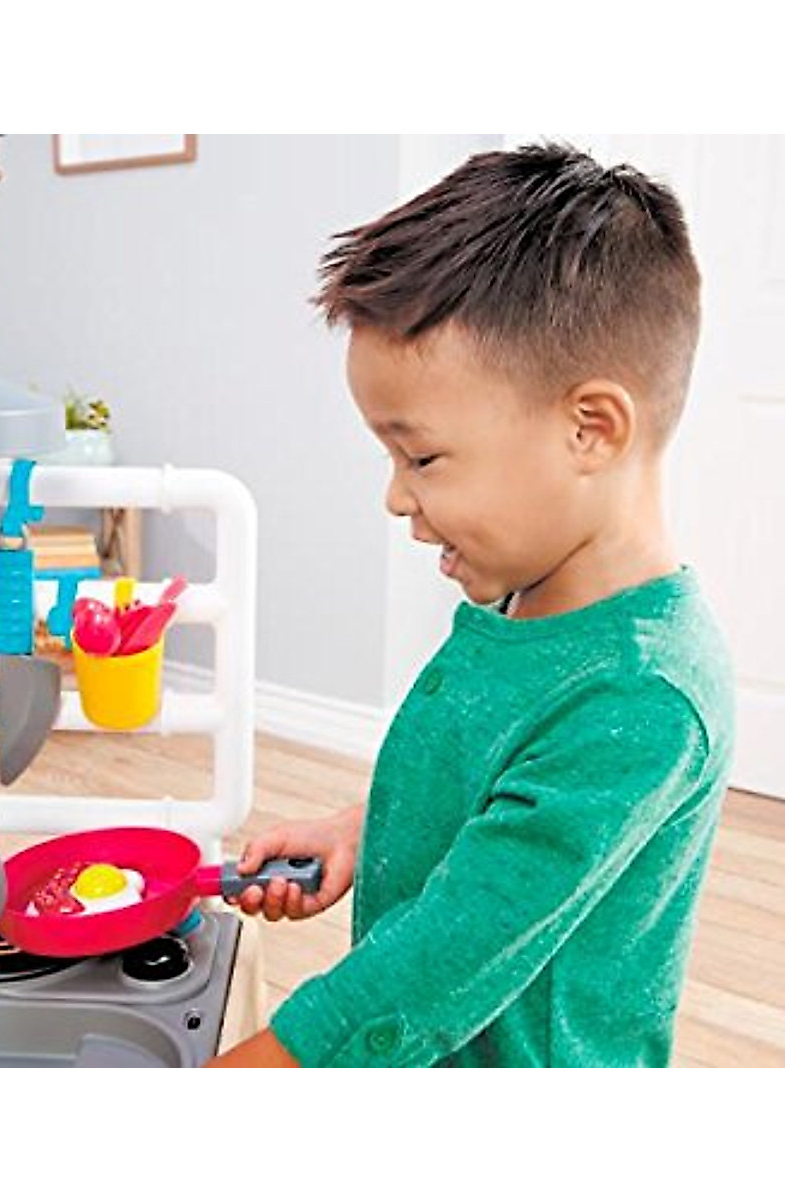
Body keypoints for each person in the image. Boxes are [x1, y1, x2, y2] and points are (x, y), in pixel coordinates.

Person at [207, 143, 735, 1068]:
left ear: (590, 429)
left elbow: (428, 972)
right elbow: (499, 790)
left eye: (421, 457)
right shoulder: (530, 597)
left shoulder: (642, 697)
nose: (396, 497)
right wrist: (363, 830)